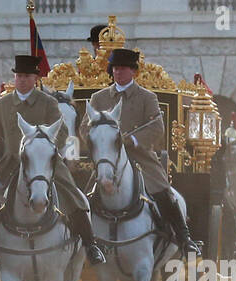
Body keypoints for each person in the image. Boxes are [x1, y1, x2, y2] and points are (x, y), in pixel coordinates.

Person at [0, 54, 105, 265]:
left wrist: (45, 142)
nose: (22, 80)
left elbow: (62, 135)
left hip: (46, 163)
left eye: (27, 76)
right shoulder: (1, 105)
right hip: (11, 163)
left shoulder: (49, 103)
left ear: (35, 79)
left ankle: (91, 245)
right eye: (19, 76)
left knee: (74, 195)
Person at [84, 48, 201, 255]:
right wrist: (101, 141)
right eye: (115, 69)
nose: (118, 73)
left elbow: (157, 128)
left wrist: (133, 140)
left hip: (140, 159)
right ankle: (84, 240)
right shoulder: (98, 98)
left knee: (163, 191)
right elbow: (84, 127)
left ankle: (184, 238)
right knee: (85, 196)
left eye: (123, 69)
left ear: (133, 71)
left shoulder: (147, 98)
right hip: (107, 159)